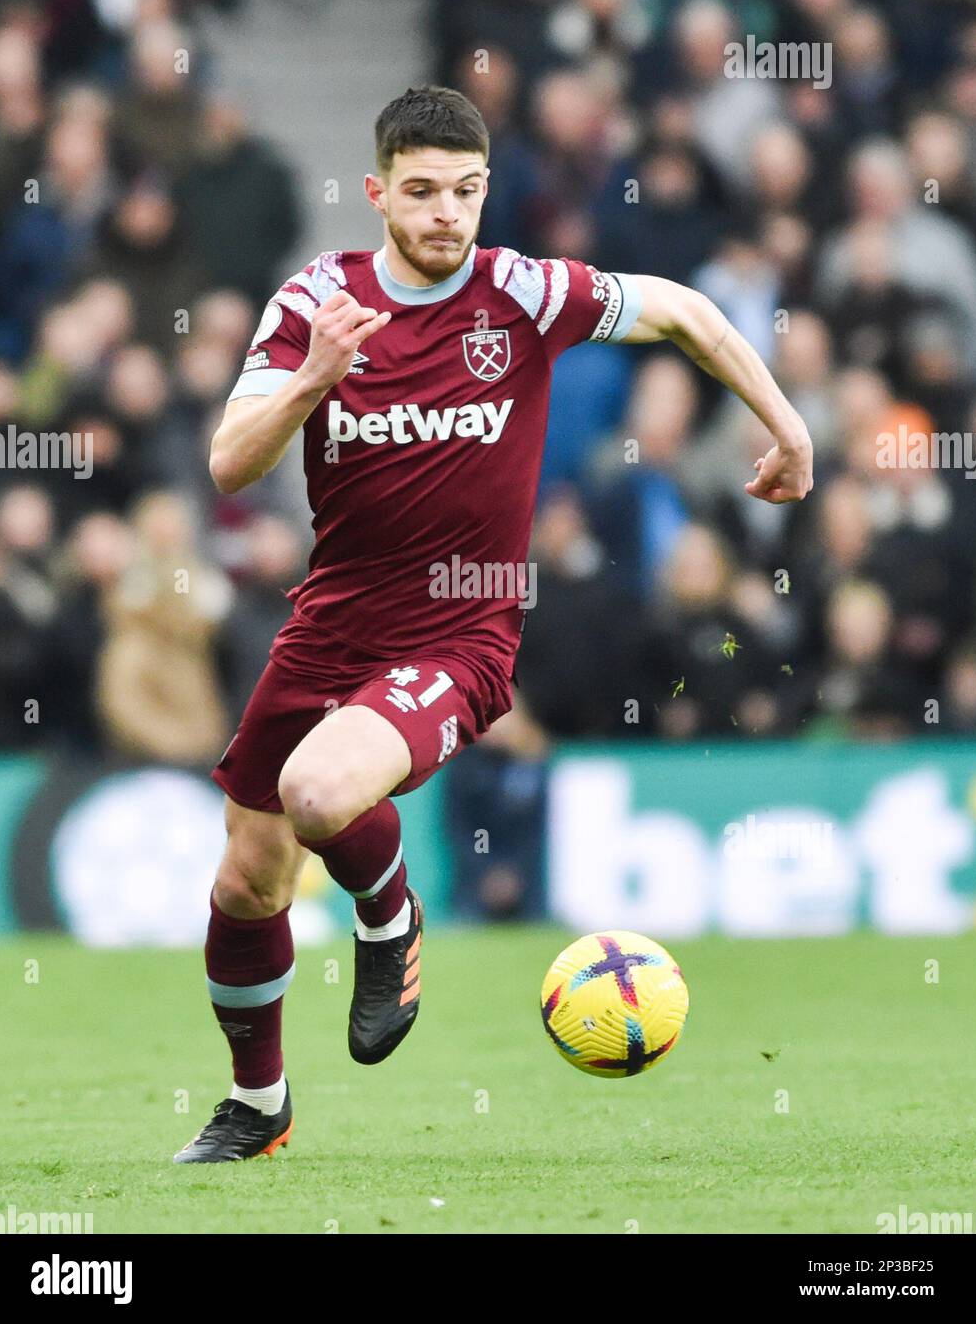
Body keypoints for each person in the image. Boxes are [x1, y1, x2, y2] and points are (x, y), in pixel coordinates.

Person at [175, 85, 813, 1163]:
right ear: (377, 192)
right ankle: (259, 1106)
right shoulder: (315, 303)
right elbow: (229, 464)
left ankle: (390, 915)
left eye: (464, 192)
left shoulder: (523, 292)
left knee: (319, 792)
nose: (445, 215)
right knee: (248, 874)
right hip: (329, 624)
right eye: (420, 193)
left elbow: (689, 313)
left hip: (457, 634)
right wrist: (313, 380)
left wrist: (787, 427)